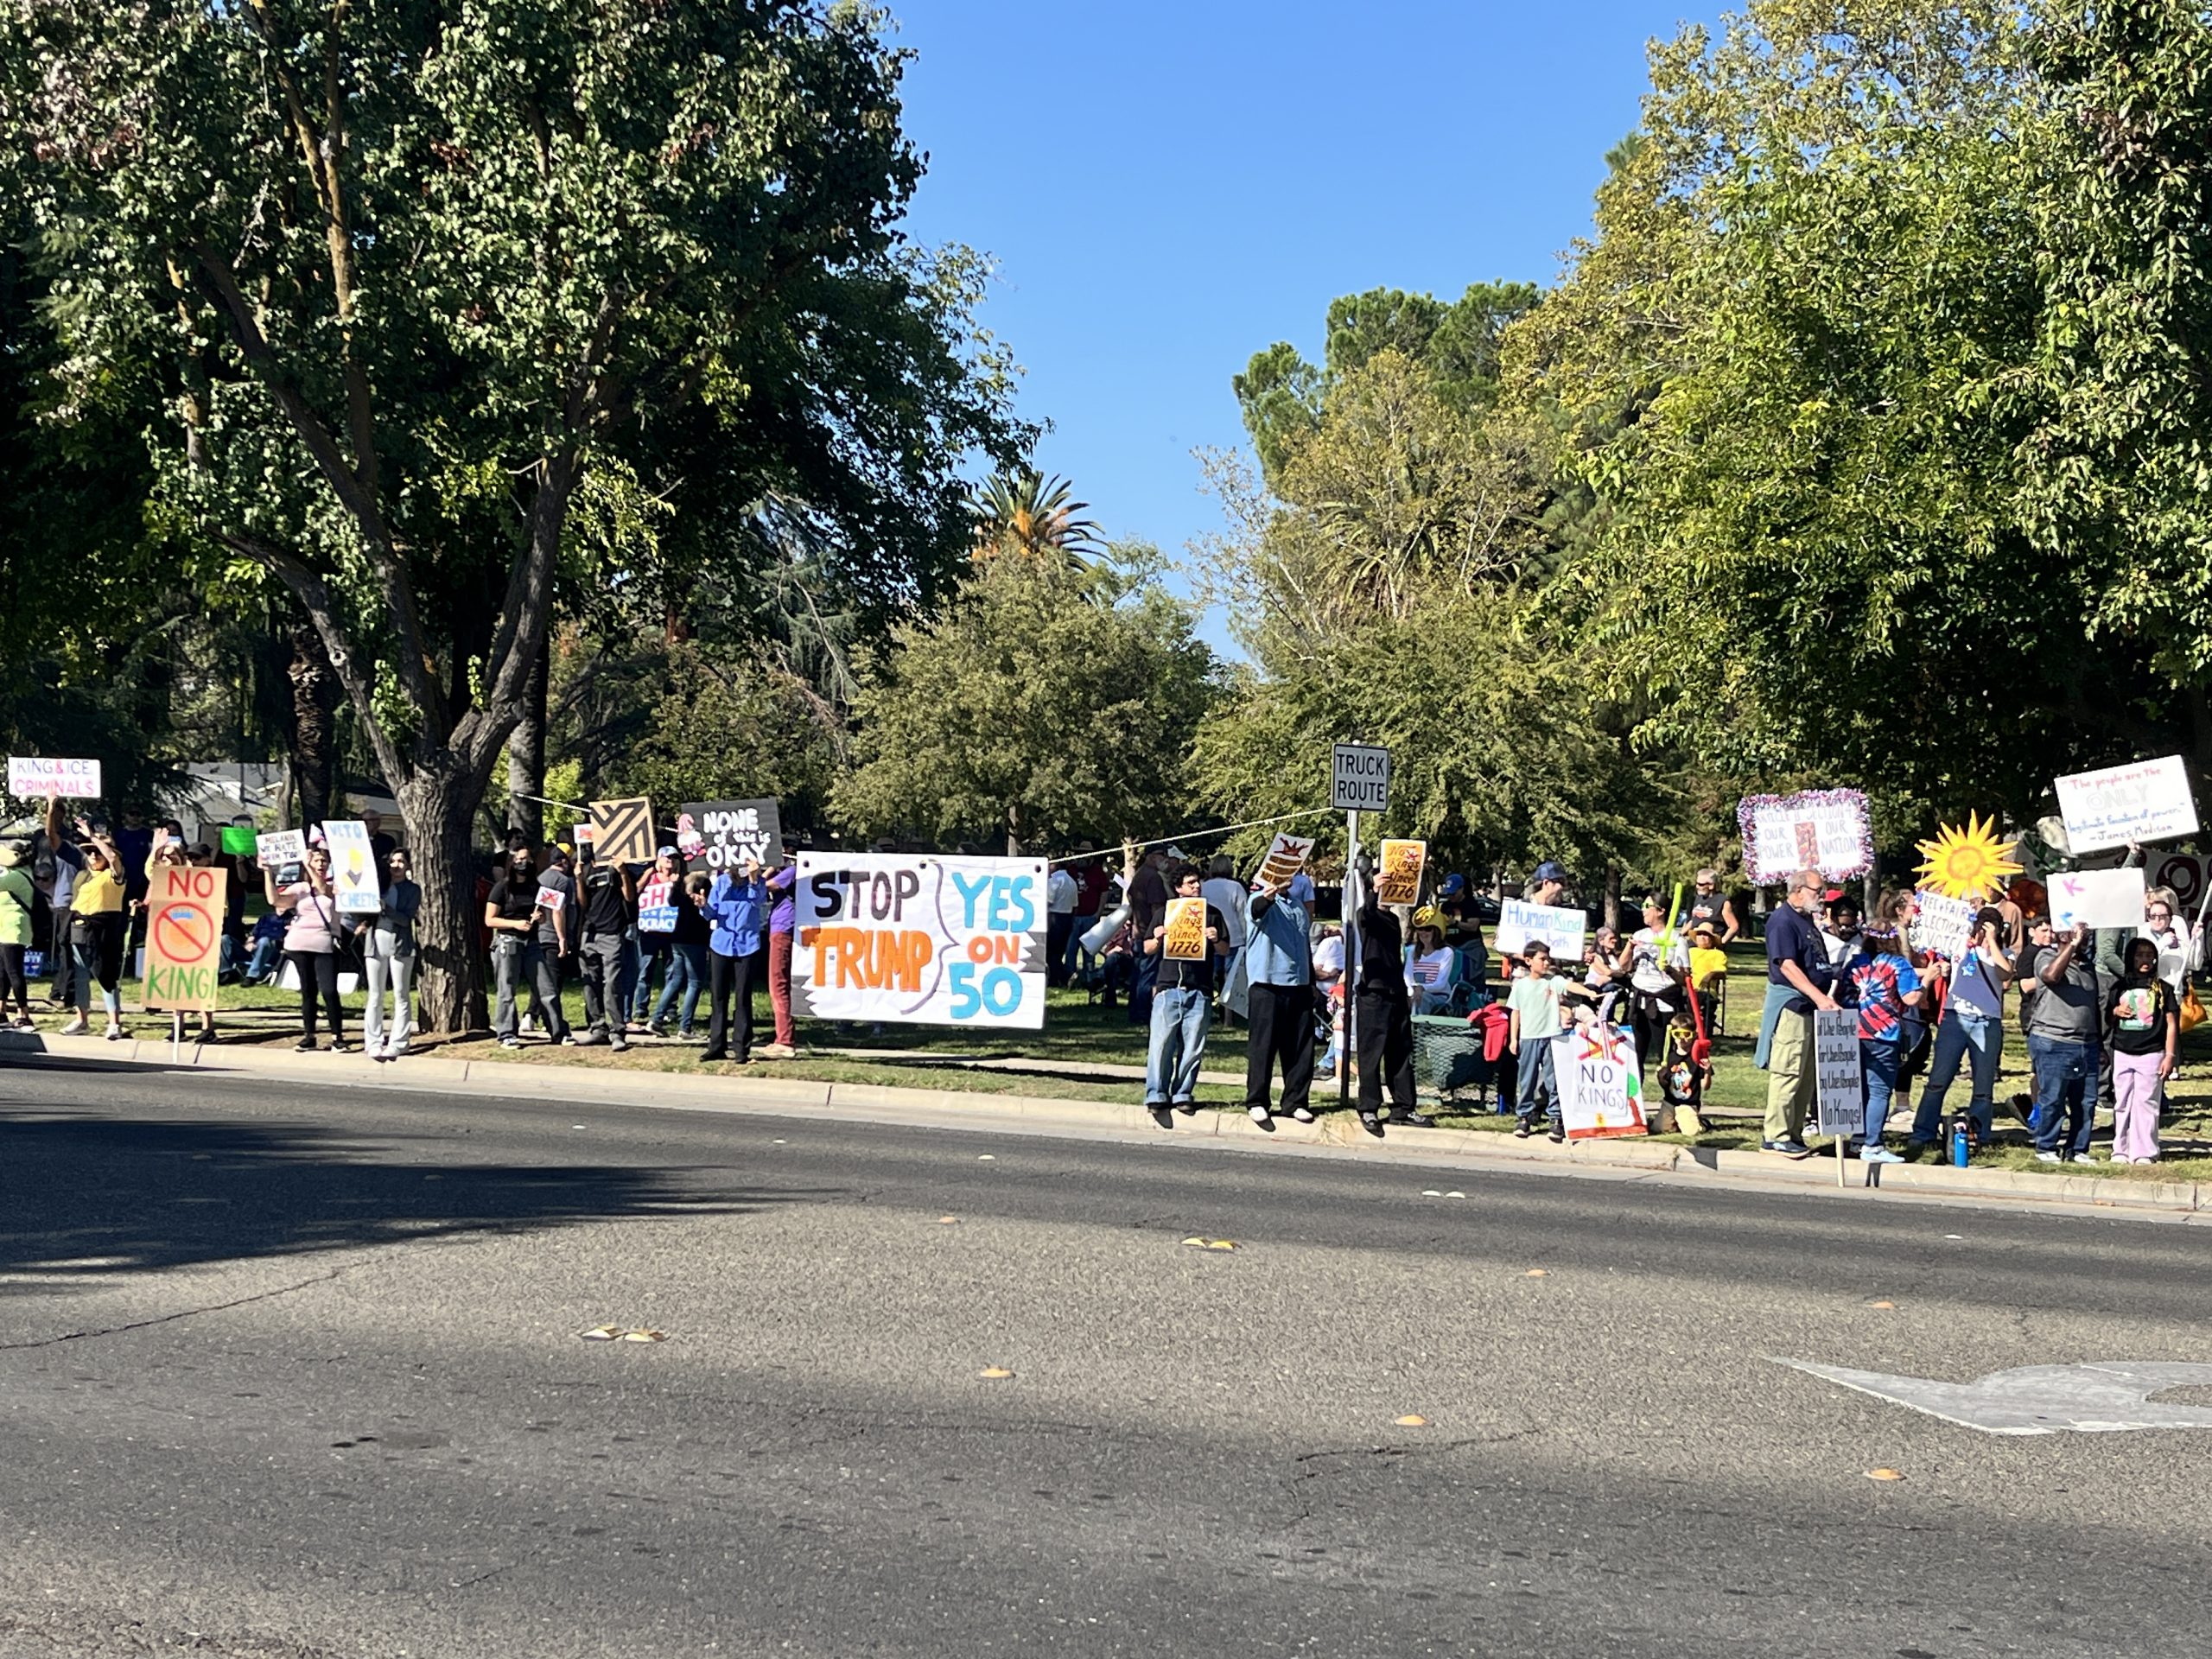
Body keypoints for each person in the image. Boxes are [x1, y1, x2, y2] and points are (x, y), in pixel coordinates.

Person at [1907, 906, 2011, 1152]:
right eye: (1981, 926)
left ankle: (1979, 1134)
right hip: (1956, 1018)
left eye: (1990, 926)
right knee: (1938, 1079)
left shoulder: (2004, 953)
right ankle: (1923, 1131)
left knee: (1983, 1086)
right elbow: (1938, 949)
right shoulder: (1960, 947)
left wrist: (1993, 942)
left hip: (1987, 1021)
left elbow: (2006, 975)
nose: (1984, 931)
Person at [1140, 861, 1228, 1125]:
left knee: (1193, 1047)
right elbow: (1146, 948)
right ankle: (1156, 1093)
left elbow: (1225, 950)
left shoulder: (1212, 914)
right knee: (1161, 1044)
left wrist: (1215, 938)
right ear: (1179, 888)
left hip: (1199, 989)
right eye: (1190, 883)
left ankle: (1182, 1092)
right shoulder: (1166, 913)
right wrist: (1157, 937)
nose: (1197, 886)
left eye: (1198, 881)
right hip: (1168, 987)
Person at [1763, 868, 1841, 1155]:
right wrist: (1820, 997)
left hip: (1810, 1007)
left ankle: (1794, 1133)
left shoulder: (1806, 919)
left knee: (1807, 1075)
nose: (1821, 896)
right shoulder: (1782, 921)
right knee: (1788, 1071)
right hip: (1792, 1006)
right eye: (1817, 891)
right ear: (1797, 890)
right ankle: (1776, 1134)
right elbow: (1787, 966)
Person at [1351, 876, 1432, 1134]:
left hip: (1395, 991)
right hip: (1373, 993)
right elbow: (1366, 915)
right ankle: (1369, 1108)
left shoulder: (1394, 919)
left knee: (1401, 1052)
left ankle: (1404, 1107)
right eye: (1386, 888)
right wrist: (1373, 890)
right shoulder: (1366, 915)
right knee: (1371, 1053)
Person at [1242, 863, 1316, 1128]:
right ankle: (1257, 1101)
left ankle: (1295, 1101)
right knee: (1263, 1046)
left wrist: (1311, 983)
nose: (1289, 880)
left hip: (1298, 984)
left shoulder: (1297, 905)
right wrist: (1269, 894)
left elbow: (1303, 942)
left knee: (1299, 1048)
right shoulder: (1258, 899)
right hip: (1267, 983)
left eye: (1292, 875)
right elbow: (1256, 910)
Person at [2022, 917, 2101, 1164]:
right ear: (2062, 937)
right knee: (2053, 1098)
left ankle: (2078, 1149)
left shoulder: (2088, 966)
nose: (2083, 942)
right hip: (2053, 1041)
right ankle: (2046, 1146)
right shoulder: (2046, 956)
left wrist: (2099, 1043)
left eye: (2086, 938)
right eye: (2077, 936)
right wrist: (2072, 945)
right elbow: (2051, 977)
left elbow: (2094, 1006)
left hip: (2085, 1043)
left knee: (2086, 1101)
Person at [1844, 928, 1921, 1164]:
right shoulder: (1898, 964)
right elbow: (1911, 998)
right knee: (1879, 1091)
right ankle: (1873, 1145)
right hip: (1883, 1034)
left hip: (1853, 1031)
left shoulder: (1855, 963)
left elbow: (1843, 993)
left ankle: (1858, 1139)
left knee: (1861, 1090)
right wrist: (1927, 981)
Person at [267, 846, 349, 1052]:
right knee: (308, 991)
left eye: (324, 861)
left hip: (324, 944)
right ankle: (309, 1035)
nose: (321, 865)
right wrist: (267, 872)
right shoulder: (300, 888)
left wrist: (307, 865)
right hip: (299, 943)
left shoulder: (336, 886)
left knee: (329, 991)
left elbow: (323, 890)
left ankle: (337, 1036)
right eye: (317, 861)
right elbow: (275, 901)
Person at [2108, 937, 2177, 1164]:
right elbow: (2108, 1015)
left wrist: (2169, 1055)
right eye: (2139, 955)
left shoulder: (2163, 989)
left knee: (2146, 1102)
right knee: (2123, 1101)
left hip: (2152, 1052)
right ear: (2130, 958)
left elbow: (2171, 1023)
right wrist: (2117, 1011)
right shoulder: (2120, 987)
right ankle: (2121, 1148)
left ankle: (2145, 1151)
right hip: (2123, 1051)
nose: (2145, 960)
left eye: (2149, 955)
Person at [61, 826, 127, 1039]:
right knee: (80, 974)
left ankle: (114, 1023)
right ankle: (82, 1019)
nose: (93, 856)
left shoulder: (113, 874)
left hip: (104, 928)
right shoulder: (83, 875)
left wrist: (93, 837)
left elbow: (111, 857)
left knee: (105, 973)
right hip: (80, 925)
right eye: (89, 852)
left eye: (97, 851)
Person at [701, 855, 767, 1064]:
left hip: (747, 946)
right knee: (718, 997)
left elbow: (758, 900)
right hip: (721, 944)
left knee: (743, 998)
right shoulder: (721, 883)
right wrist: (703, 905)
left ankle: (741, 1049)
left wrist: (755, 877)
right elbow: (710, 914)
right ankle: (716, 1046)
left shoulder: (757, 884)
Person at [573, 846, 637, 1052]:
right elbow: (583, 903)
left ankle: (617, 1031)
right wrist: (578, 879)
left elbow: (629, 896)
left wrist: (623, 872)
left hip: (612, 932)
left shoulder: (614, 867)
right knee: (589, 982)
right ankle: (597, 1027)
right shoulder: (586, 870)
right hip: (589, 933)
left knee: (611, 983)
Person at [1618, 894, 1689, 1075]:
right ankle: (1633, 1100)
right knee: (1634, 1055)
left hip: (1663, 1004)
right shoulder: (1640, 935)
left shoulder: (1676, 939)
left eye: (1647, 905)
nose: (1643, 909)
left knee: (1667, 1056)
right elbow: (1624, 967)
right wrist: (1630, 947)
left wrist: (1670, 970)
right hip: (1639, 1001)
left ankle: (1672, 1098)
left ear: (1660, 911)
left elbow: (1685, 979)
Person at [362, 846, 421, 1061]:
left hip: (401, 947)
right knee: (375, 995)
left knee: (401, 995)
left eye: (401, 862)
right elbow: (361, 912)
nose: (396, 866)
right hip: (375, 945)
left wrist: (386, 908)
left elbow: (406, 919)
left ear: (408, 866)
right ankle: (373, 1042)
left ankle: (398, 1043)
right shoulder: (378, 886)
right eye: (393, 861)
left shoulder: (412, 889)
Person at [484, 846, 544, 1049]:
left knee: (546, 987)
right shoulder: (502, 887)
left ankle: (558, 1030)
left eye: (526, 859)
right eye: (518, 859)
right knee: (507, 989)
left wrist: (538, 918)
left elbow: (539, 914)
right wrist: (515, 924)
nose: (522, 862)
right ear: (511, 862)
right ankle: (506, 1033)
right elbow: (489, 920)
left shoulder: (535, 886)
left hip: (532, 942)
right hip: (507, 941)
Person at [1508, 941, 1567, 1141]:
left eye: (1548, 958)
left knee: (1553, 1080)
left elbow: (1570, 986)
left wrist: (1589, 992)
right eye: (1542, 959)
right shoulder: (1521, 986)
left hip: (1550, 1036)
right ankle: (1524, 1117)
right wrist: (1514, 1039)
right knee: (1527, 1079)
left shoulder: (1553, 980)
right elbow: (1515, 1013)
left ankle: (1556, 1119)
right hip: (1529, 1037)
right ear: (1528, 961)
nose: (1546, 962)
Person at [652, 872, 713, 1039]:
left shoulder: (680, 893)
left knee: (675, 980)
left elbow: (671, 901)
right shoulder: (703, 889)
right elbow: (711, 909)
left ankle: (656, 1019)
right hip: (695, 939)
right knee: (695, 983)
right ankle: (685, 1027)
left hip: (677, 938)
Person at [629, 849, 683, 1029]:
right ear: (658, 860)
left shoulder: (679, 878)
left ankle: (670, 1009)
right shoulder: (650, 877)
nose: (670, 861)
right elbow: (634, 892)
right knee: (645, 970)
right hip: (649, 931)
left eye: (674, 858)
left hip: (671, 931)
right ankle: (641, 1008)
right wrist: (647, 873)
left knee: (672, 971)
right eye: (667, 858)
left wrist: (676, 884)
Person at [529, 845, 575, 1044]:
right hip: (552, 936)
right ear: (563, 861)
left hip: (538, 934)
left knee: (541, 979)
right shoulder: (562, 881)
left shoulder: (541, 878)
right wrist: (562, 937)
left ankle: (531, 1015)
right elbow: (558, 910)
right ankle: (553, 1023)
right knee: (553, 982)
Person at [1122, 843, 1171, 1025]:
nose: (1164, 858)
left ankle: (1134, 1010)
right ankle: (1142, 1013)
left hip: (1138, 932)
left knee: (1138, 974)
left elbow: (1129, 897)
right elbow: (1157, 907)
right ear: (1150, 857)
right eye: (1161, 855)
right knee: (1148, 974)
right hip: (1149, 933)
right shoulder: (1153, 878)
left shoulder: (1139, 875)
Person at [762, 845, 799, 1059]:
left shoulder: (792, 871)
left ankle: (785, 1040)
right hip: (778, 928)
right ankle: (782, 1037)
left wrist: (768, 869)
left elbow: (766, 886)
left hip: (783, 928)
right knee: (778, 985)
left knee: (778, 984)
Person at [2137, 888, 2201, 999]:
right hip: (2149, 994)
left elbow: (2193, 963)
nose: (2157, 920)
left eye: (2162, 916)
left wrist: (2197, 940)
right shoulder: (2144, 930)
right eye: (2152, 915)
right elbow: (2143, 962)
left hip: (2175, 995)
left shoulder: (2177, 923)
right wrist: (2162, 943)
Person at [0, 842, 35, 1030]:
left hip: (15, 929)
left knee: (14, 973)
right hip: (3, 929)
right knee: (2, 974)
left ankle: (24, 1014)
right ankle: (1, 1011)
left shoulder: (18, 876)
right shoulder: (11, 874)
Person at [1065, 843, 1110, 984]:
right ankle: (1070, 977)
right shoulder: (1070, 870)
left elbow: (1104, 893)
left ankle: (1088, 979)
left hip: (1090, 916)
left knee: (1089, 951)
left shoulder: (1098, 872)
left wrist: (1098, 913)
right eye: (1080, 853)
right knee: (1070, 949)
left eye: (1085, 853)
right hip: (1073, 916)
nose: (1082, 856)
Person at [1404, 906, 1456, 1014]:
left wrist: (1422, 988)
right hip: (1414, 993)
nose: (1423, 933)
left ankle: (1420, 1028)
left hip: (1438, 996)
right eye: (1420, 929)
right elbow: (1407, 977)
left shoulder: (1446, 952)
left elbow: (1440, 983)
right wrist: (1414, 991)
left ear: (1436, 931)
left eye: (1428, 929)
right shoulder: (1412, 951)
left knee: (1423, 999)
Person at [1046, 858, 1079, 988]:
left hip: (1054, 917)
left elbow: (1048, 900)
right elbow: (1076, 904)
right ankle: (1055, 980)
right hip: (1068, 917)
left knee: (1050, 952)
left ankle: (1066, 976)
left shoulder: (1054, 880)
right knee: (1059, 952)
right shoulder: (1072, 881)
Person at [1685, 869, 1741, 944]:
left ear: (1711, 886)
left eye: (1701, 884)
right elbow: (1693, 920)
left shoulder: (1722, 901)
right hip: (1693, 946)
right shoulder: (1698, 898)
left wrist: (1721, 942)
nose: (1697, 886)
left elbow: (1734, 927)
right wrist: (1680, 935)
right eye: (1697, 883)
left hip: (1711, 948)